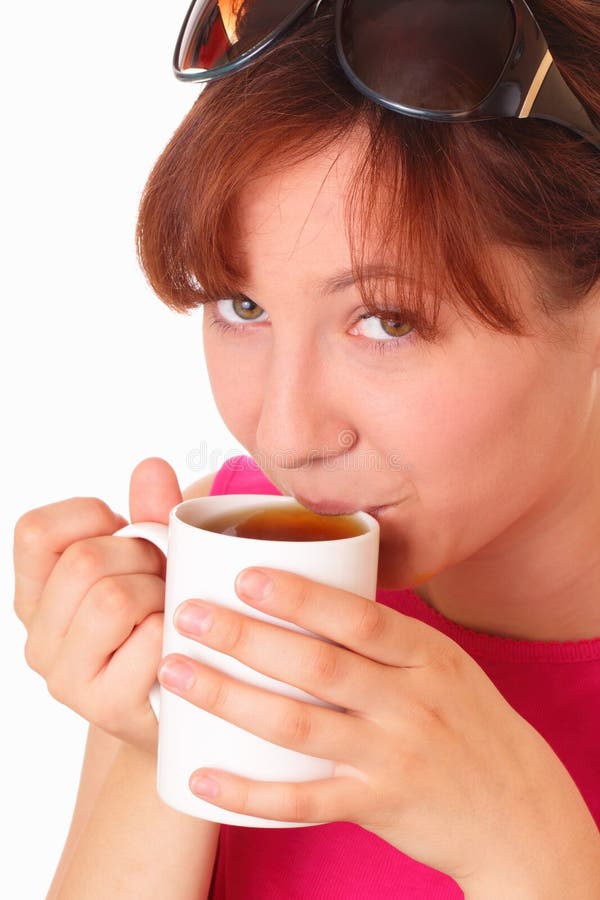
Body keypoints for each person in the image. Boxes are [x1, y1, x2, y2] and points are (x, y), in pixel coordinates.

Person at [13, 1, 600, 897]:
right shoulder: (215, 561)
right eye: (241, 306)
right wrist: (167, 737)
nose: (283, 436)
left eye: (386, 319)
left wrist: (529, 847)